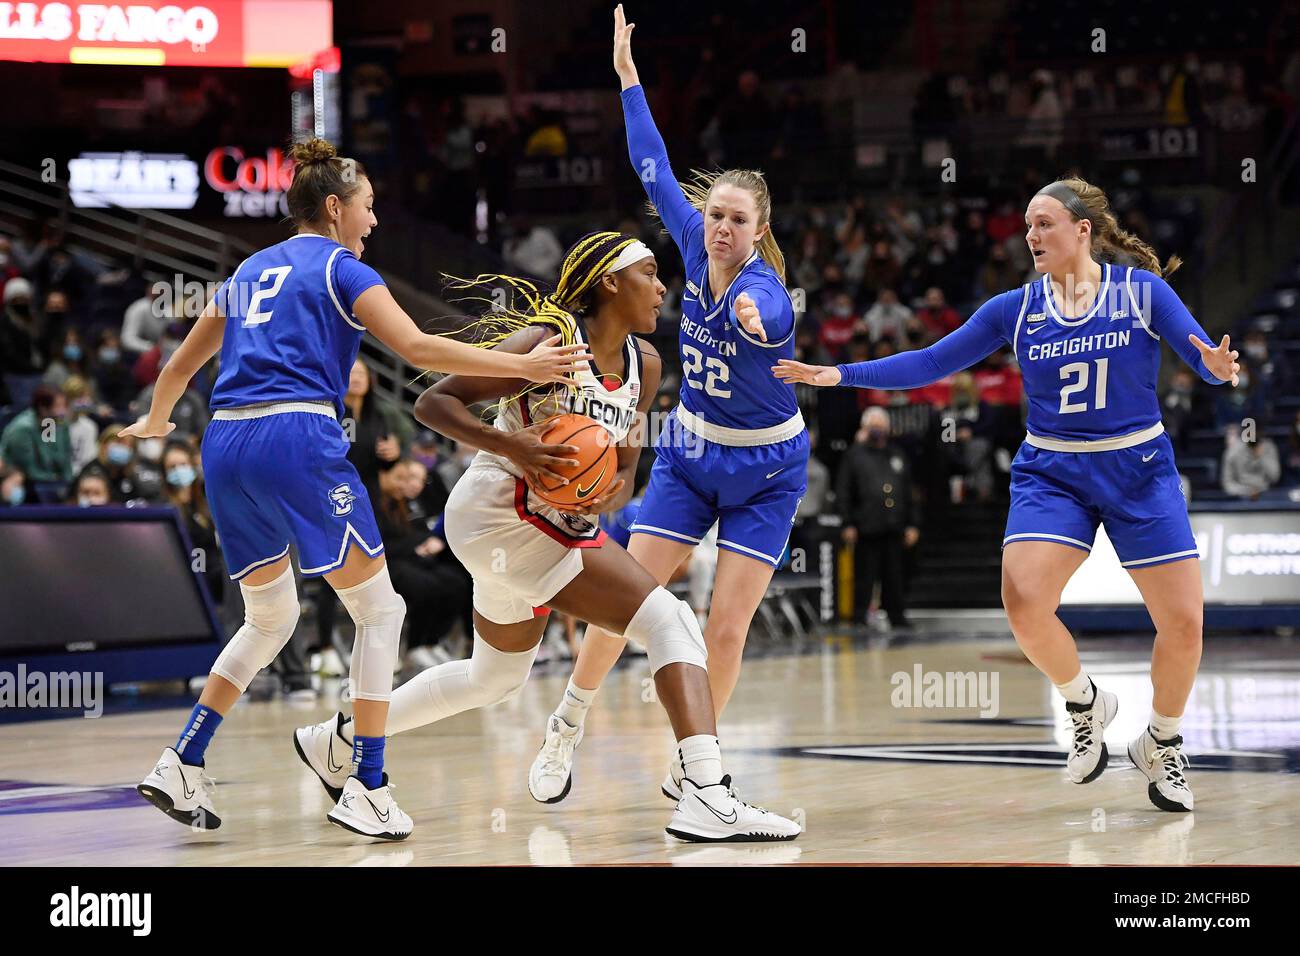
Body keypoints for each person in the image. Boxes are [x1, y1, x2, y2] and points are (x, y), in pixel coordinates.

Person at [123, 136, 591, 840]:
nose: (374, 222)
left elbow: (180, 368)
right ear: (336, 207)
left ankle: (180, 760)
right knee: (380, 611)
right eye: (369, 207)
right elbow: (421, 349)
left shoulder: (248, 267)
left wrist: (155, 424)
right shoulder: (341, 269)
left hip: (223, 443)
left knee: (268, 619)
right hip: (296, 436)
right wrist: (524, 369)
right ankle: (368, 784)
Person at [295, 228, 800, 842]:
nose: (663, 285)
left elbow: (628, 447)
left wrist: (616, 483)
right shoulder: (551, 340)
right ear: (611, 281)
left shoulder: (648, 361)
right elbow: (435, 403)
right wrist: (512, 443)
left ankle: (342, 738)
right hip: (500, 507)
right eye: (649, 273)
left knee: (494, 678)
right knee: (671, 622)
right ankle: (705, 794)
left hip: (540, 522)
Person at [777, 176, 1241, 813]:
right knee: (1022, 598)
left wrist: (1213, 365)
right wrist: (842, 373)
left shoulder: (1141, 292)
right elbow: (933, 361)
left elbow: (1198, 349)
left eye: (1045, 223)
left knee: (1185, 625)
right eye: (1027, 225)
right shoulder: (1015, 309)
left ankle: (1162, 741)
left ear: (1083, 231)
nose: (1031, 235)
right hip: (1054, 472)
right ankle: (1085, 703)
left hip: (1138, 467)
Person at [527, 7, 810, 808]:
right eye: (715, 215)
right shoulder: (691, 245)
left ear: (760, 230)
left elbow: (780, 320)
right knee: (628, 603)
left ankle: (700, 767)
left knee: (723, 629)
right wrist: (628, 78)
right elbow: (651, 163)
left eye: (736, 220)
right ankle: (567, 724)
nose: (720, 228)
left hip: (767, 469)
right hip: (690, 452)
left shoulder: (761, 289)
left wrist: (764, 321)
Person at [837, 407, 918, 629]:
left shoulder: (896, 454)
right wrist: (847, 522)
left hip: (894, 525)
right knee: (864, 575)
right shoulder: (854, 455)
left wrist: (912, 523)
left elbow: (908, 491)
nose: (879, 430)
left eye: (882, 426)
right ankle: (859, 616)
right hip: (866, 526)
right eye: (874, 426)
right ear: (865, 428)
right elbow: (844, 491)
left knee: (894, 576)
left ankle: (896, 616)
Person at [1220, 429, 1280, 500]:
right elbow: (1227, 484)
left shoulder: (1268, 447)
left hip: (1265, 494)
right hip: (1239, 497)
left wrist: (1261, 457)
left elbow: (1274, 478)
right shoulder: (1233, 451)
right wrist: (1247, 491)